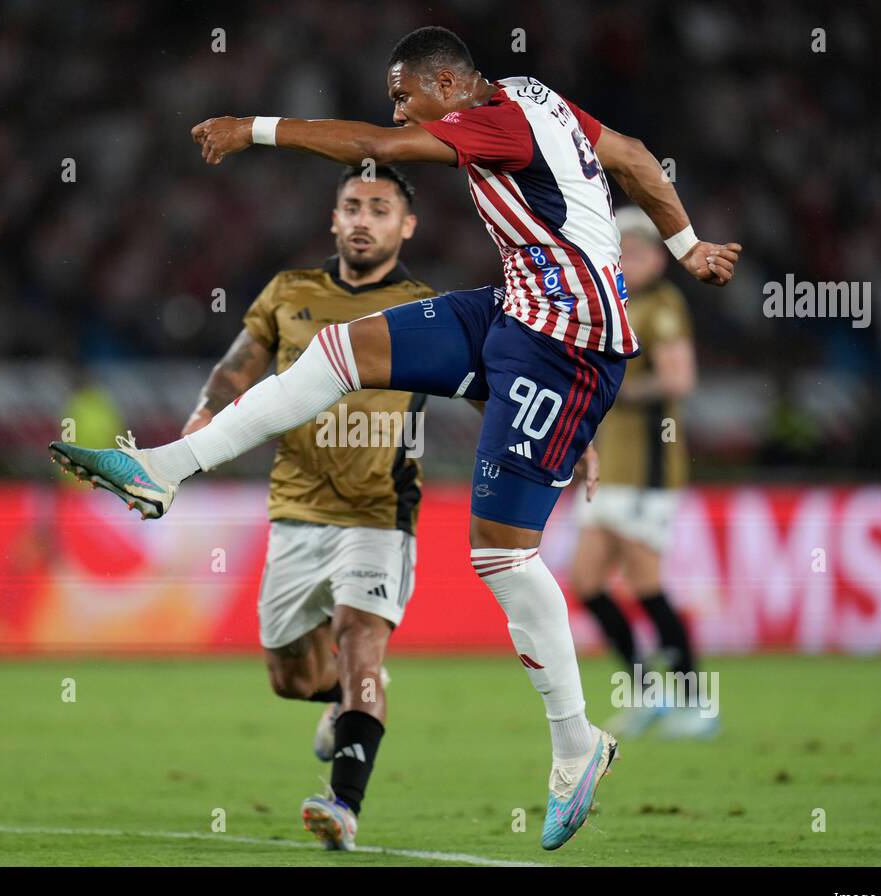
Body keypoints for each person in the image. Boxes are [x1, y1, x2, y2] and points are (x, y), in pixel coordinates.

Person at [51, 26, 741, 851]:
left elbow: (379, 146)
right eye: (395, 96)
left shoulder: (494, 120)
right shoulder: (531, 94)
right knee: (340, 351)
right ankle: (164, 468)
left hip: (570, 348)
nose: (398, 108)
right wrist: (688, 242)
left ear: (447, 84)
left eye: (405, 92)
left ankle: (575, 744)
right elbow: (629, 154)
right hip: (515, 312)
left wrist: (253, 129)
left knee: (501, 555)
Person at [181, 166, 436, 849]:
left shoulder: (424, 308)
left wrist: (555, 442)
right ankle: (349, 704)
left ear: (405, 226)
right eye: (352, 206)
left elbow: (483, 386)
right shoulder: (289, 294)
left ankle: (343, 807)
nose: (363, 218)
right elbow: (242, 362)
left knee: (359, 638)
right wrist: (205, 414)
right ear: (332, 218)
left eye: (380, 209)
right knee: (290, 678)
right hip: (296, 509)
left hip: (380, 510)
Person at [570, 206, 715, 739]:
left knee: (645, 583)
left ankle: (698, 702)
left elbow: (680, 378)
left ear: (657, 256)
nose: (625, 259)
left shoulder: (663, 305)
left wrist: (622, 392)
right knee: (586, 580)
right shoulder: (612, 303)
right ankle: (647, 692)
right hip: (614, 466)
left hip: (651, 466)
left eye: (634, 251)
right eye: (620, 250)